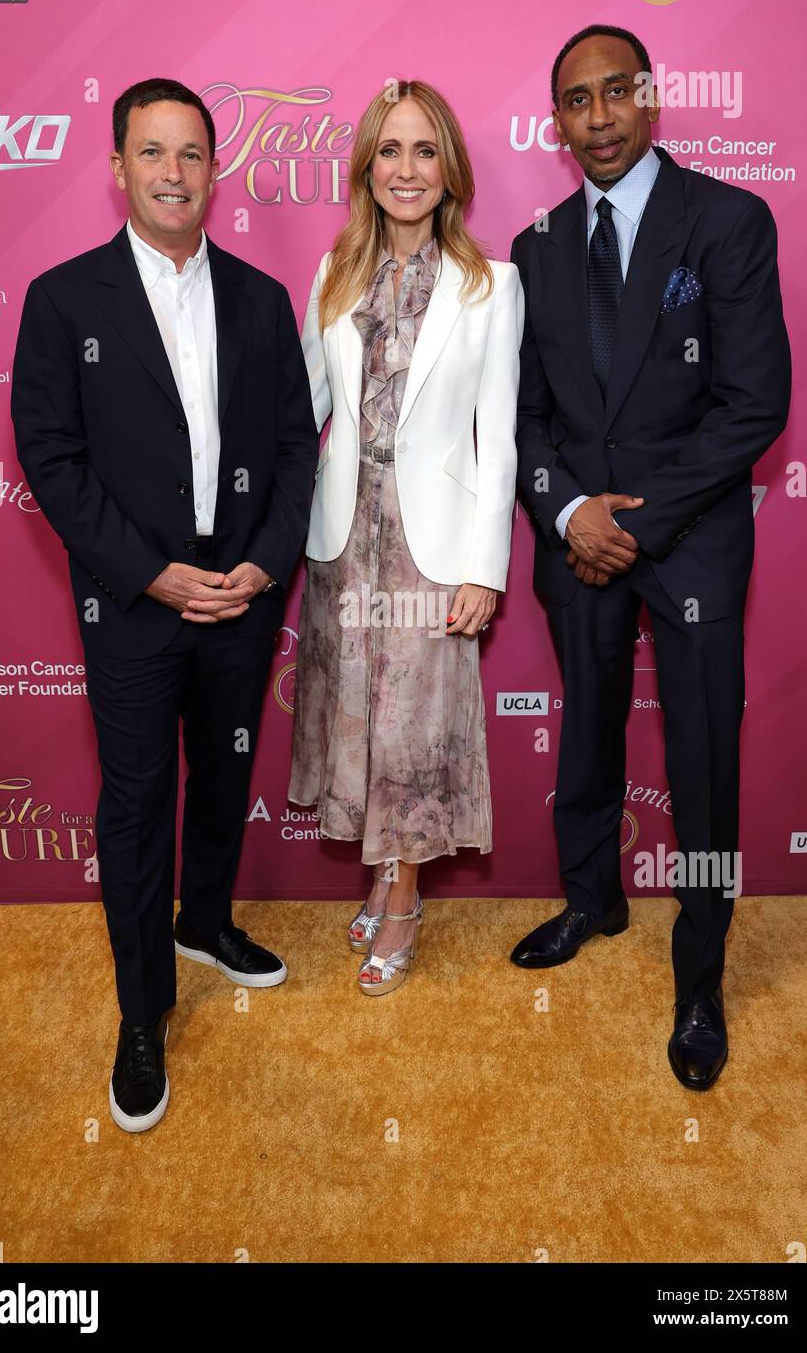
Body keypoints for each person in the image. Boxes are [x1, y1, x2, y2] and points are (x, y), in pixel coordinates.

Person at [11, 78, 317, 1132]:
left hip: (238, 591)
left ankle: (209, 922)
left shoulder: (263, 301)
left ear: (214, 170)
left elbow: (292, 450)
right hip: (134, 600)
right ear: (117, 166)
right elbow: (51, 462)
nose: (173, 173)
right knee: (138, 804)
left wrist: (266, 564)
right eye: (152, 153)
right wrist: (147, 572)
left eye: (191, 154)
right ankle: (143, 1013)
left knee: (227, 774)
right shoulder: (62, 301)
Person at [509, 26, 791, 1089]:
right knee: (585, 730)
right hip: (576, 546)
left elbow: (753, 402)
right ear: (559, 121)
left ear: (650, 97)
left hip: (694, 544)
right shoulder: (535, 249)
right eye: (576, 102)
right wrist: (571, 509)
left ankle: (703, 960)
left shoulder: (726, 220)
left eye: (614, 93)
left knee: (704, 761)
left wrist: (636, 516)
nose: (598, 119)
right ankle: (591, 897)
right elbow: (522, 418)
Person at [288, 80, 523, 995]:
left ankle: (403, 900)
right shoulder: (333, 272)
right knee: (361, 719)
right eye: (390, 151)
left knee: (417, 730)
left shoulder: (489, 283)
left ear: (450, 168)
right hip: (344, 539)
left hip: (433, 545)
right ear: (366, 168)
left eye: (425, 151)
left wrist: (484, 568)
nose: (407, 170)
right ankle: (383, 869)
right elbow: (304, 411)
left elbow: (496, 436)